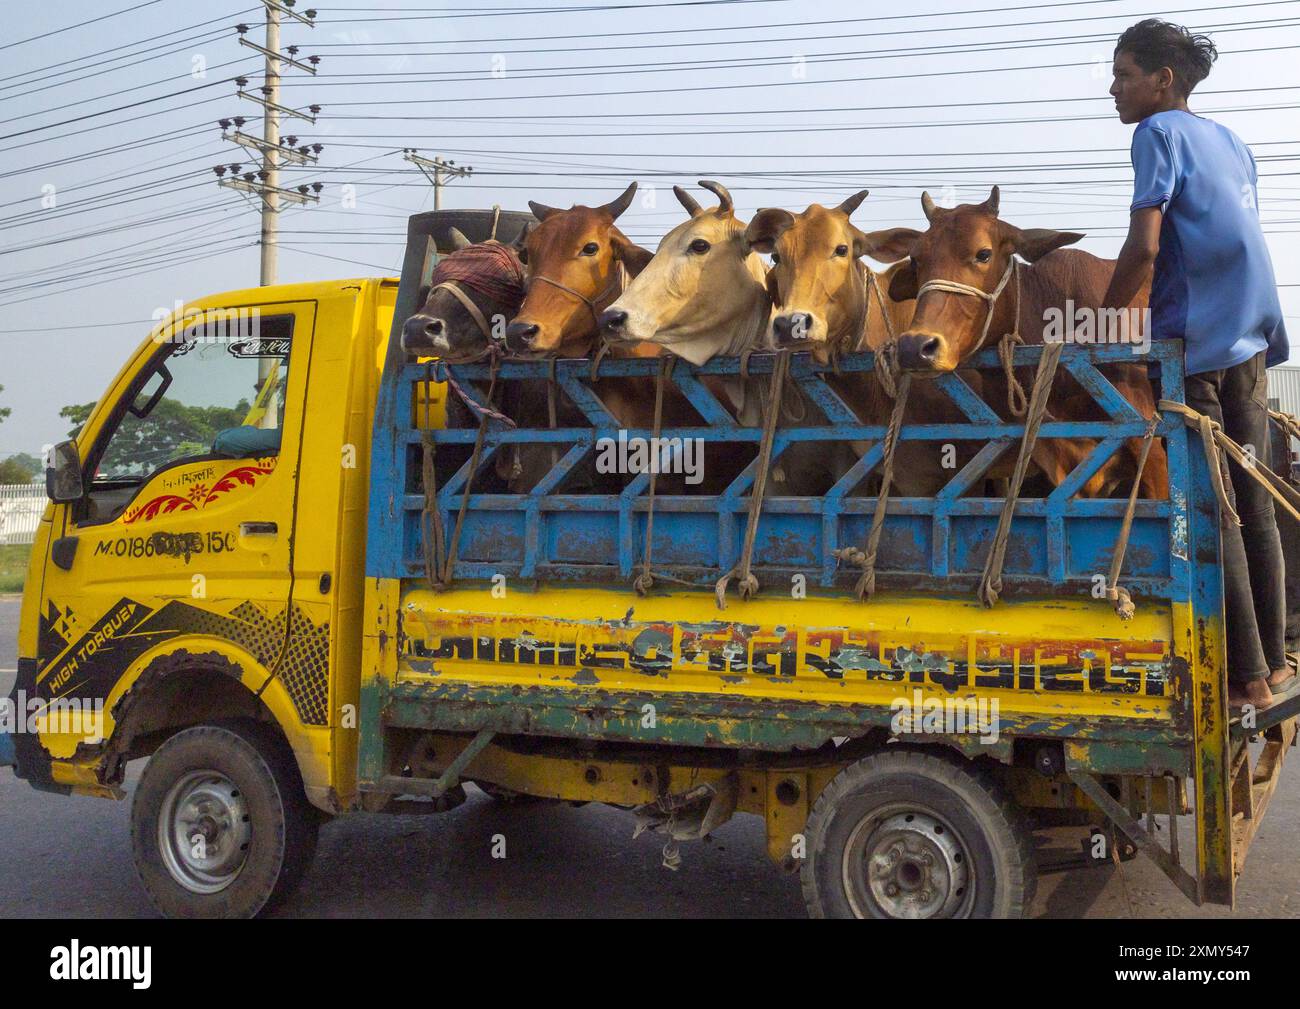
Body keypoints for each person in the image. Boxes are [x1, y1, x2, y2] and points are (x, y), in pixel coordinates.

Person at [1101, 19, 1292, 709]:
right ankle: (1274, 666)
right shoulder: (1232, 141)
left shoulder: (1155, 135)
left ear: (1163, 82)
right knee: (1256, 503)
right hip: (1253, 337)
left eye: (1123, 75)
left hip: (1198, 347)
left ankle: (1246, 679)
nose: (1113, 89)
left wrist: (1105, 319)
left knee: (1215, 515)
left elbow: (1146, 248)